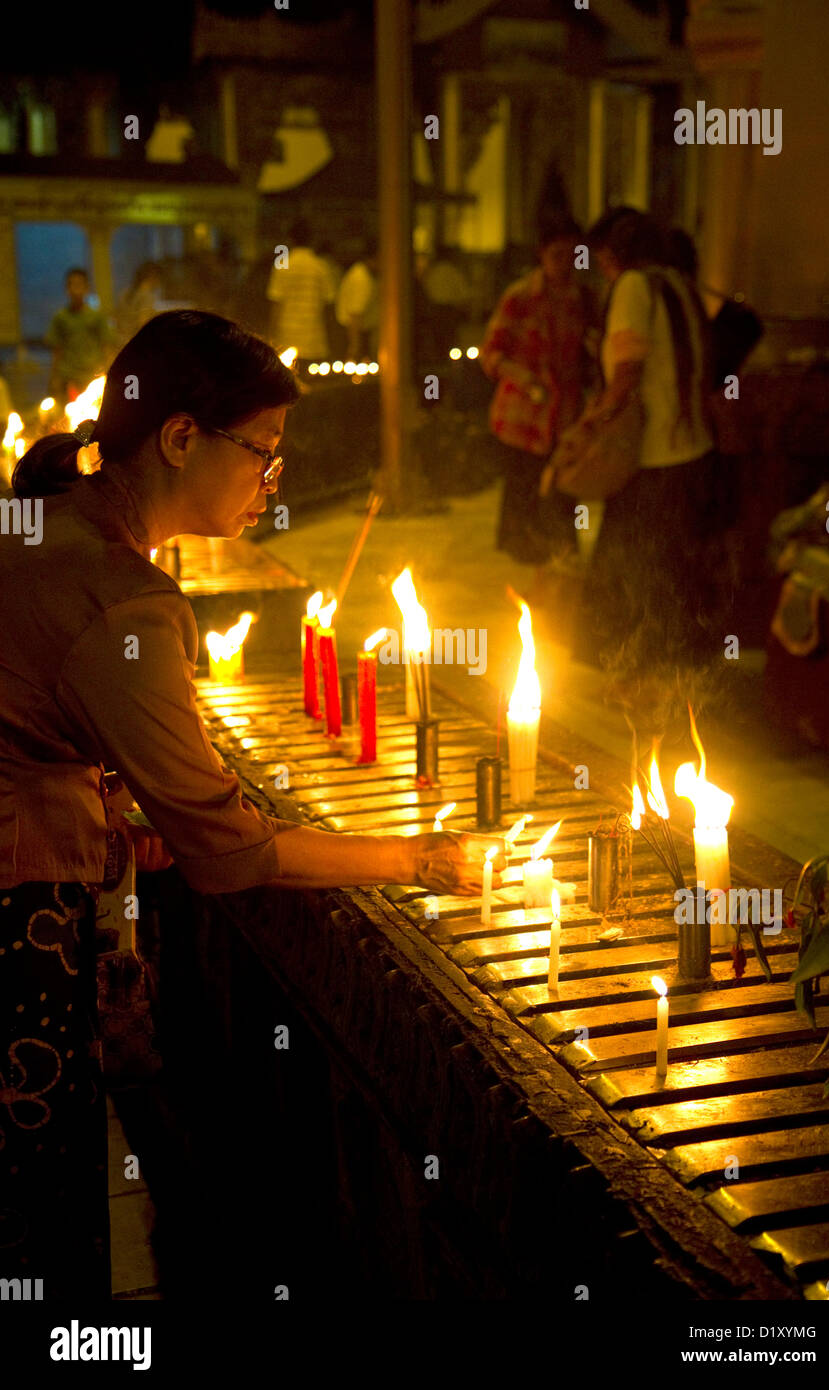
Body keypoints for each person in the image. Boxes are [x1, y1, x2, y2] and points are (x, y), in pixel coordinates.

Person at [1, 310, 505, 1300]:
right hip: (15, 926)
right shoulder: (126, 599)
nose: (270, 483)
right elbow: (227, 850)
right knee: (35, 1201)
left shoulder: (47, 520)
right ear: (182, 437)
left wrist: (117, 830)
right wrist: (416, 858)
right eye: (261, 455)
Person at [559, 208, 727, 727]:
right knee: (672, 568)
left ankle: (641, 679)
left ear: (611, 252)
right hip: (692, 450)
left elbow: (627, 373)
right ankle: (675, 680)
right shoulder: (676, 282)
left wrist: (587, 426)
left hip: (652, 458)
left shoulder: (633, 285)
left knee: (636, 571)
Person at [479, 214, 596, 585]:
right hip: (523, 415)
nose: (566, 263)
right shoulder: (519, 297)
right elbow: (491, 354)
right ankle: (526, 573)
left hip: (566, 415)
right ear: (542, 255)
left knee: (562, 489)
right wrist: (524, 379)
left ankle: (557, 561)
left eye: (573, 255)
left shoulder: (584, 299)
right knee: (523, 489)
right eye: (558, 255)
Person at [266, 218, 334, 364]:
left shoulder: (282, 264)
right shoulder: (320, 266)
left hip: (287, 336)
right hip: (314, 338)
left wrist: (271, 336)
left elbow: (276, 303)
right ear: (312, 239)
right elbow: (329, 302)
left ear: (290, 239)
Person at [45, 268, 115, 402]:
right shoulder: (61, 317)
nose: (76, 289)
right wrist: (54, 378)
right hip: (69, 376)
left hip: (92, 375)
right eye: (72, 285)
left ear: (87, 288)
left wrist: (109, 372)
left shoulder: (96, 316)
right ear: (67, 288)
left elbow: (107, 346)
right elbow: (56, 350)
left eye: (80, 285)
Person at [336, 242, 379, 361]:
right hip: (357, 335)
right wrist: (355, 348)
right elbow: (355, 315)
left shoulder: (364, 273)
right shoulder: (361, 279)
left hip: (360, 333)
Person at [115, 261, 163, 344]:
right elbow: (143, 323)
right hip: (134, 342)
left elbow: (117, 317)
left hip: (121, 341)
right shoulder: (147, 296)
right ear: (153, 277)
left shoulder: (125, 293)